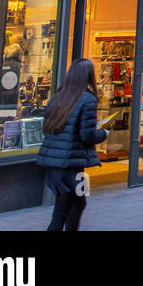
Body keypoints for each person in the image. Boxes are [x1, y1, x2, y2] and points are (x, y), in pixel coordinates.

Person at [37, 59, 108, 231]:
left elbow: (48, 128)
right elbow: (87, 135)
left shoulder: (58, 97)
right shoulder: (88, 100)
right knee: (64, 209)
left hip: (58, 163)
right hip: (72, 165)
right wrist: (104, 134)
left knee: (77, 202)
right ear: (89, 76)